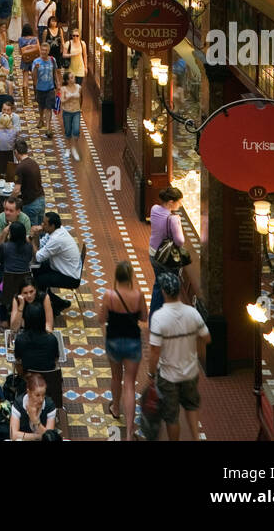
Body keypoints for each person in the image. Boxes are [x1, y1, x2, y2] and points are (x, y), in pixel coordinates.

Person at [147, 270, 211, 441]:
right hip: (190, 372)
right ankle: (196, 438)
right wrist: (195, 352)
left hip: (169, 376)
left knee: (171, 416)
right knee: (191, 406)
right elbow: (207, 337)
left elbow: (154, 352)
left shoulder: (159, 318)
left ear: (164, 292)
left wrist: (150, 374)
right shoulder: (192, 313)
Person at [100, 261, 147, 439]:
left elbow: (101, 318)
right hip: (133, 342)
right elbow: (144, 317)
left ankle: (115, 408)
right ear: (131, 277)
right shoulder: (138, 295)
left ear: (116, 276)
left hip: (113, 341)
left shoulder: (109, 295)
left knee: (116, 377)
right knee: (129, 384)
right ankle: (129, 430)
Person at [31, 212, 82, 309]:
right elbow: (41, 245)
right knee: (36, 270)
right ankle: (53, 300)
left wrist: (32, 239)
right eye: (42, 222)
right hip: (61, 267)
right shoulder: (56, 230)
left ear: (52, 226)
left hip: (69, 276)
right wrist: (37, 236)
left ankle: (53, 305)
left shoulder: (57, 239)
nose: (42, 225)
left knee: (40, 281)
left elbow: (38, 257)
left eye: (45, 224)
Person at [149, 185, 185, 318]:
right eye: (179, 202)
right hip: (166, 258)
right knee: (170, 290)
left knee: (158, 285)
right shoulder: (174, 219)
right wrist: (178, 224)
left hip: (153, 253)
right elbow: (180, 241)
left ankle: (154, 320)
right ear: (171, 202)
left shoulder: (154, 209)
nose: (180, 205)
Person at [0, 218, 33, 290]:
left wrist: (4, 234)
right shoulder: (29, 246)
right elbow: (29, 259)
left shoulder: (5, 246)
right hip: (24, 282)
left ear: (11, 234)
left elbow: (0, 261)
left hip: (7, 279)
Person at [14, 301, 60, 374]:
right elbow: (56, 358)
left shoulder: (20, 340)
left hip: (29, 381)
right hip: (50, 381)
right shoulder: (52, 339)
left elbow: (18, 358)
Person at [9, 372, 58, 441]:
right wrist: (38, 436)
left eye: (43, 395)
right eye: (37, 395)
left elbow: (50, 437)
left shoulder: (50, 406)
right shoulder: (18, 405)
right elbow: (13, 435)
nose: (41, 399)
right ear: (29, 392)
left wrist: (35, 421)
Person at [13, 137, 45, 225]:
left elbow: (16, 190)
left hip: (30, 204)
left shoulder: (20, 167)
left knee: (30, 232)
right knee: (40, 229)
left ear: (16, 152)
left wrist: (10, 199)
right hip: (41, 200)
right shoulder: (34, 163)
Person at [32, 46, 60, 140]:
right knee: (41, 106)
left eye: (46, 50)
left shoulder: (52, 60)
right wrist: (36, 69)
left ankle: (48, 127)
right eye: (43, 50)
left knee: (49, 107)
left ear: (48, 51)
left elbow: (55, 72)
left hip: (50, 88)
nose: (44, 52)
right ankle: (41, 119)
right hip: (40, 88)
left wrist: (58, 83)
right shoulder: (36, 61)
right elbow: (33, 75)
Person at [59, 71, 82, 161]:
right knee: (68, 131)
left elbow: (81, 98)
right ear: (68, 80)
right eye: (71, 77)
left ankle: (74, 148)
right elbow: (62, 101)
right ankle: (68, 149)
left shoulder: (79, 87)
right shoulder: (63, 89)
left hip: (76, 112)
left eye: (73, 77)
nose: (74, 78)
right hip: (67, 112)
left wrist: (80, 108)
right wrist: (69, 97)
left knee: (76, 131)